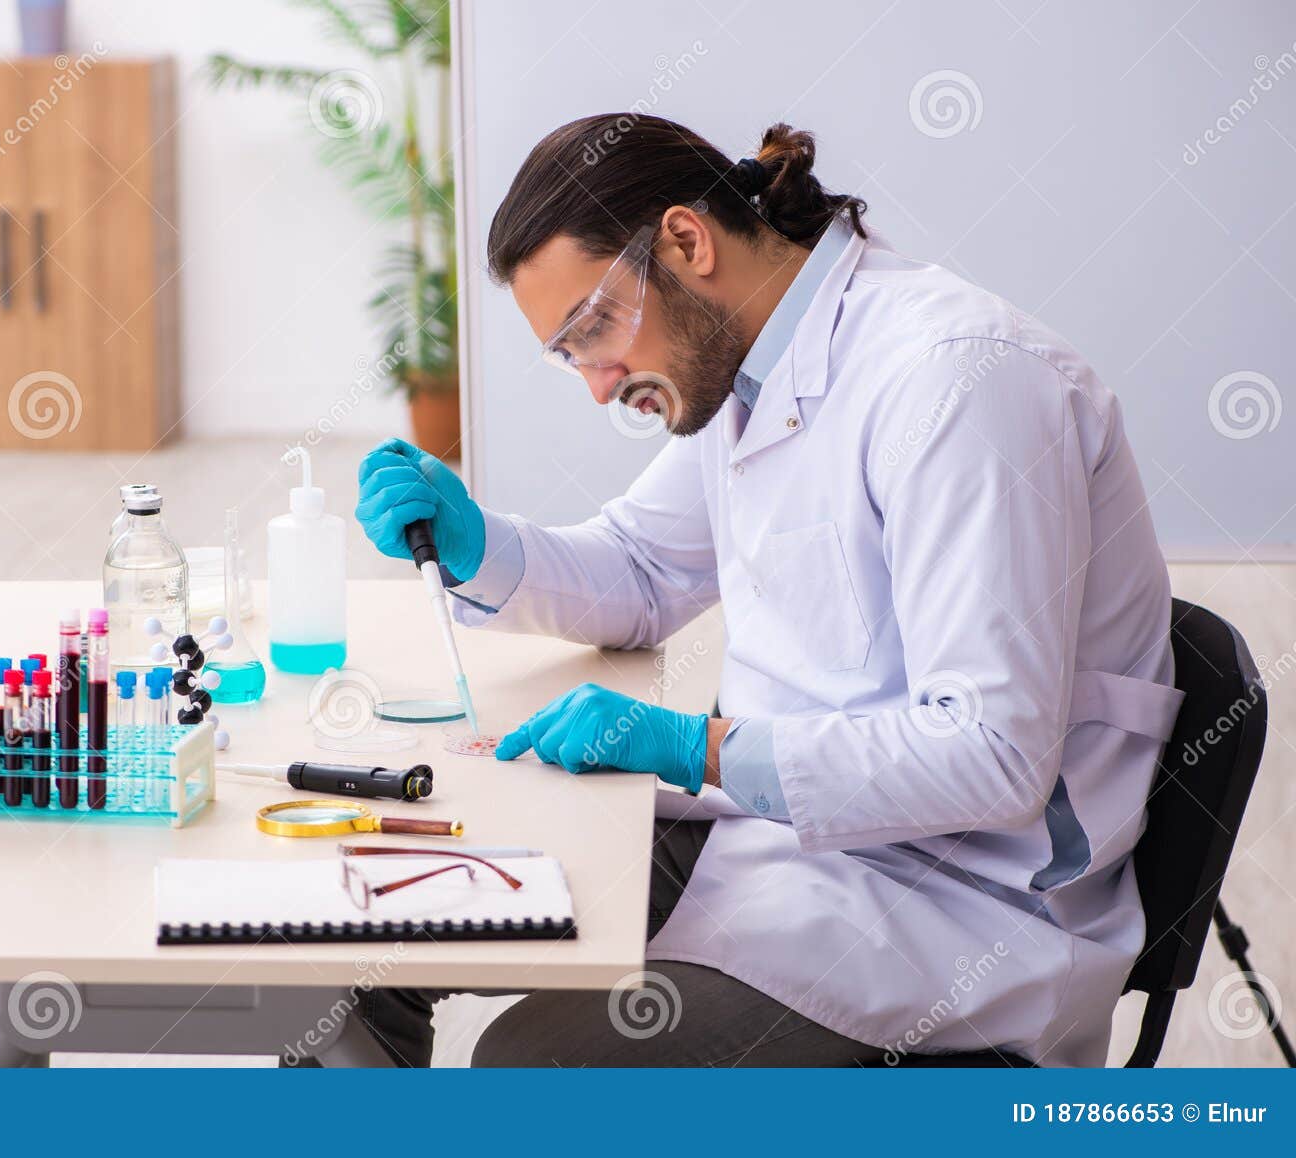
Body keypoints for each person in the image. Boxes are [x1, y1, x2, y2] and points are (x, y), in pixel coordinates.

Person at [353, 115, 1180, 1067]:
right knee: (366, 924)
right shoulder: (746, 370)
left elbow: (989, 756)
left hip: (954, 909)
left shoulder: (959, 381)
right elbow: (645, 570)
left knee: (533, 1071)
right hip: (780, 844)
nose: (597, 385)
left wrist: (696, 745)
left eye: (593, 329)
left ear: (686, 242)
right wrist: (475, 546)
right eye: (570, 354)